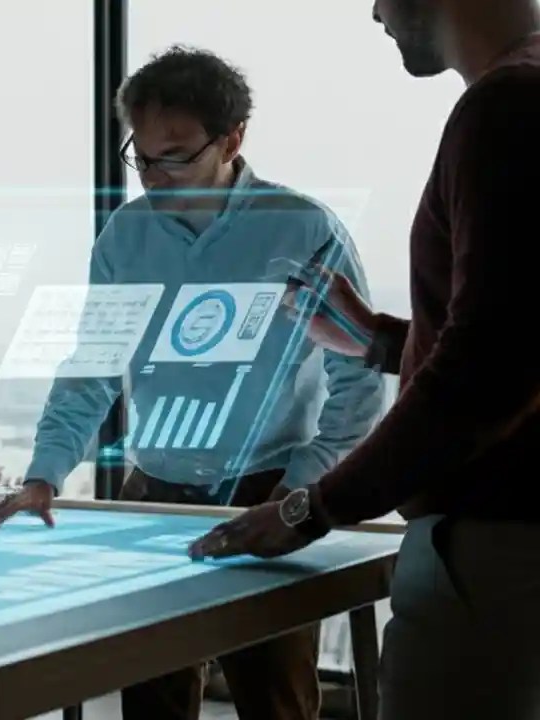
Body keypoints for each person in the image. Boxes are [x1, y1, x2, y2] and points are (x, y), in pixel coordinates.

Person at [0, 46, 386, 720]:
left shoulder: (302, 228)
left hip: (264, 492)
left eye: (177, 155)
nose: (154, 175)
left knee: (274, 701)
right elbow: (93, 367)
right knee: (153, 699)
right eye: (144, 155)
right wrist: (44, 473)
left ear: (233, 140)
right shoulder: (125, 237)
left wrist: (304, 482)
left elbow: (361, 377)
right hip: (151, 496)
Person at [188, 1, 540, 718]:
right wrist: (382, 340)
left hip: (492, 550)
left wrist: (312, 506)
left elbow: (489, 369)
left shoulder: (505, 107)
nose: (375, 10)